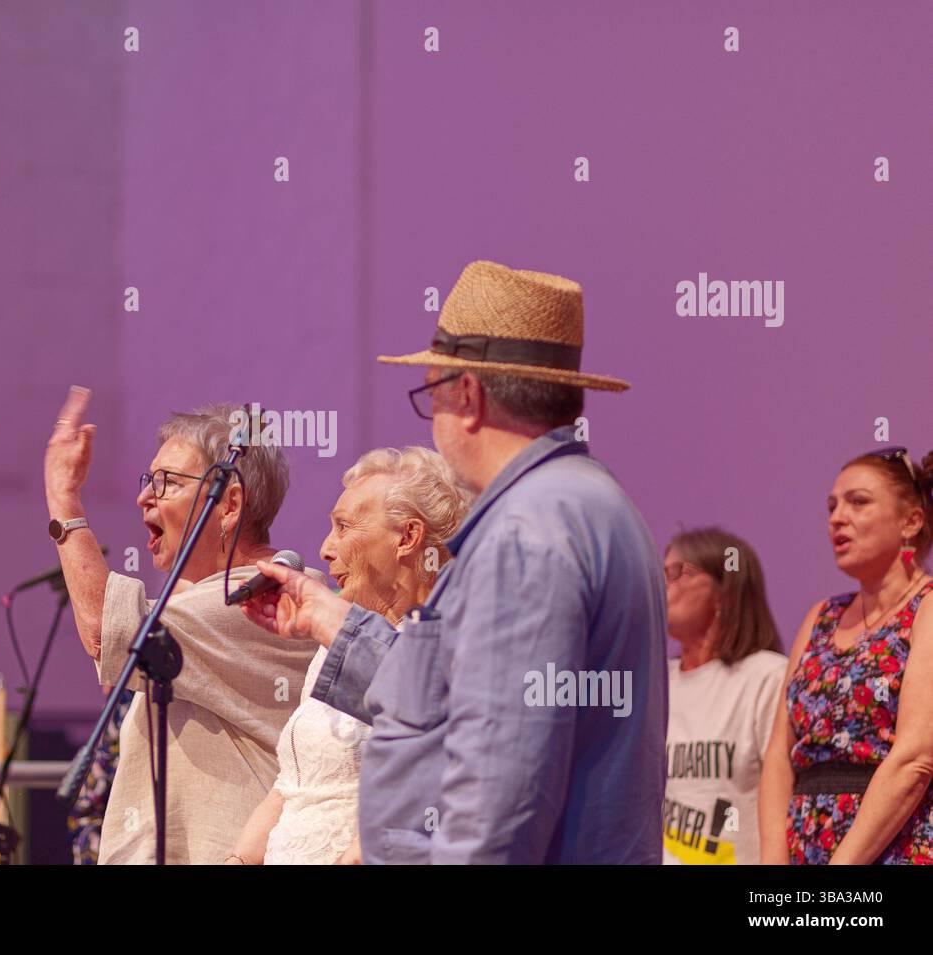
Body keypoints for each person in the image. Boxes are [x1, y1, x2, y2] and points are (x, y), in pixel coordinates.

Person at [239, 261, 669, 863]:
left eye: (429, 394)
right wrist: (327, 618)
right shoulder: (593, 502)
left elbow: (502, 784)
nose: (433, 420)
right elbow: (454, 701)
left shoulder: (524, 532)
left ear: (466, 396)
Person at [43, 388, 316, 864]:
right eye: (149, 479)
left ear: (229, 505)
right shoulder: (211, 601)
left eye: (167, 482)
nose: (143, 496)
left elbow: (107, 632)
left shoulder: (266, 594)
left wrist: (64, 498)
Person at [226, 447, 472, 864]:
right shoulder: (333, 652)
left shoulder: (445, 653)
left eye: (344, 527)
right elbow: (292, 785)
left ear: (408, 538)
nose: (324, 549)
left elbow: (416, 792)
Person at [759, 446, 933, 864]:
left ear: (911, 521)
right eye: (832, 506)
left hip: (893, 847)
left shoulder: (927, 608)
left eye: (859, 502)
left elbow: (915, 759)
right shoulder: (821, 616)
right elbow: (779, 757)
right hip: (806, 848)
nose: (837, 517)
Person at [661, 527, 786, 864]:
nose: (662, 587)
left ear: (723, 592)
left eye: (676, 573)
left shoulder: (766, 677)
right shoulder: (658, 683)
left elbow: (784, 794)